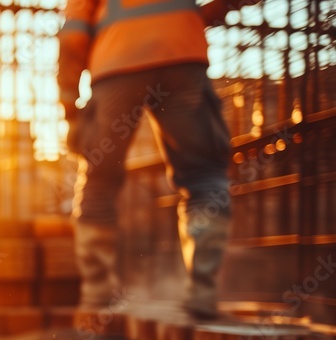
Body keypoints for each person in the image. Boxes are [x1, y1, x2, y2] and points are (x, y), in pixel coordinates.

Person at [58, 0, 255, 319]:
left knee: (99, 179)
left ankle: (97, 294)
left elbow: (73, 33)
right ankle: (203, 291)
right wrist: (195, 16)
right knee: (204, 176)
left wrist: (70, 109)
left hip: (116, 63)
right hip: (180, 54)